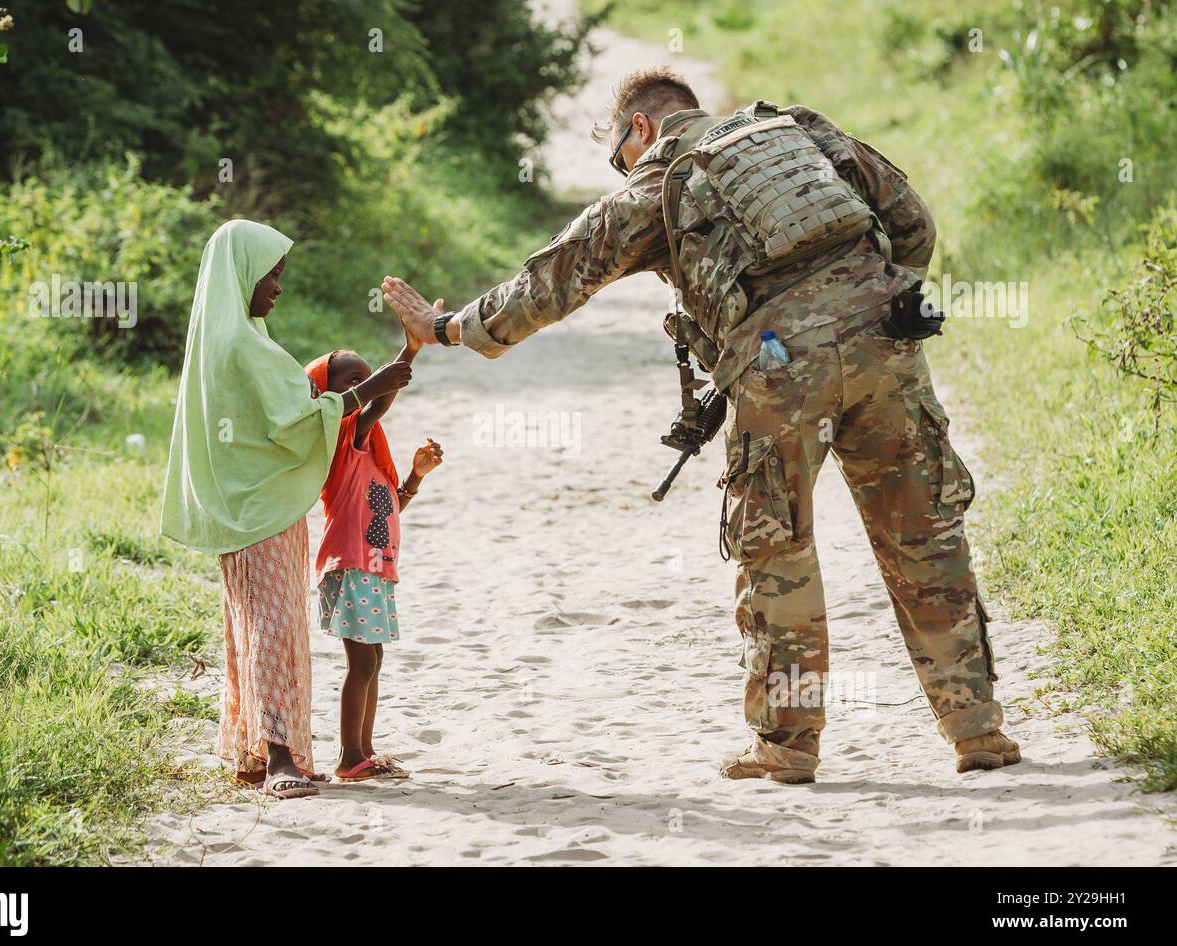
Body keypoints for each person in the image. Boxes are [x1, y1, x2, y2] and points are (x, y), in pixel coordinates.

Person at [382, 67, 1020, 784]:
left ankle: (786, 745)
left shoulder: (660, 183)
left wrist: (447, 327)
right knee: (924, 532)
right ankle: (977, 731)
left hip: (779, 367)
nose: (622, 168)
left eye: (618, 153)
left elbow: (551, 282)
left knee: (777, 552)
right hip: (887, 344)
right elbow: (913, 223)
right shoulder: (799, 128)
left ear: (643, 128)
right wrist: (874, 300)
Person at [161, 219, 412, 799]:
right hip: (257, 510)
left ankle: (269, 750)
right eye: (270, 273)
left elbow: (288, 420)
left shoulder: (241, 337)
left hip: (265, 505)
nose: (277, 286)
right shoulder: (238, 345)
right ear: (241, 272)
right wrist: (363, 392)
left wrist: (369, 391)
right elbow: (293, 422)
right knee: (270, 630)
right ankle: (279, 762)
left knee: (266, 630)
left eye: (280, 274)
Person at [306, 347, 444, 782]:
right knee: (362, 664)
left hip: (370, 567)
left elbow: (386, 512)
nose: (360, 389)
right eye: (349, 382)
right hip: (350, 565)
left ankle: (363, 751)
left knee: (373, 660)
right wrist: (411, 348)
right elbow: (378, 401)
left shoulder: (370, 454)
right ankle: (349, 756)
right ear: (328, 394)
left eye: (363, 378)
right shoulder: (347, 431)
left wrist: (415, 477)